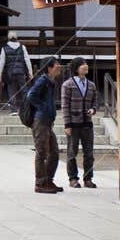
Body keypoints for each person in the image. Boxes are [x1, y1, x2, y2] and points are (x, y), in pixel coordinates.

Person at [24, 57, 63, 194]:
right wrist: (43, 107)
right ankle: (40, 183)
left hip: (47, 122)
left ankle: (48, 179)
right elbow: (31, 95)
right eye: (56, 64)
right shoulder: (43, 80)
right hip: (40, 121)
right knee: (42, 152)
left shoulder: (51, 81)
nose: (59, 66)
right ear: (49, 67)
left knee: (54, 152)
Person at [60, 57, 99, 188]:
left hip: (87, 123)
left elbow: (95, 102)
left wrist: (93, 110)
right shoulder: (67, 84)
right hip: (73, 123)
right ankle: (73, 178)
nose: (86, 66)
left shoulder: (92, 85)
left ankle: (88, 178)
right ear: (76, 68)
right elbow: (65, 105)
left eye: (86, 64)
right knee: (72, 152)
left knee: (89, 153)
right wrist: (67, 124)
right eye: (83, 64)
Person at [0, 31, 34, 113]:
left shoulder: (4, 48)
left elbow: (2, 62)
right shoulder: (22, 47)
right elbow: (27, 60)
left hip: (10, 72)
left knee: (11, 91)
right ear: (16, 38)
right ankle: (26, 108)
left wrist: (0, 74)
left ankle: (13, 110)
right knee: (24, 90)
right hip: (21, 72)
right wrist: (30, 72)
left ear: (8, 38)